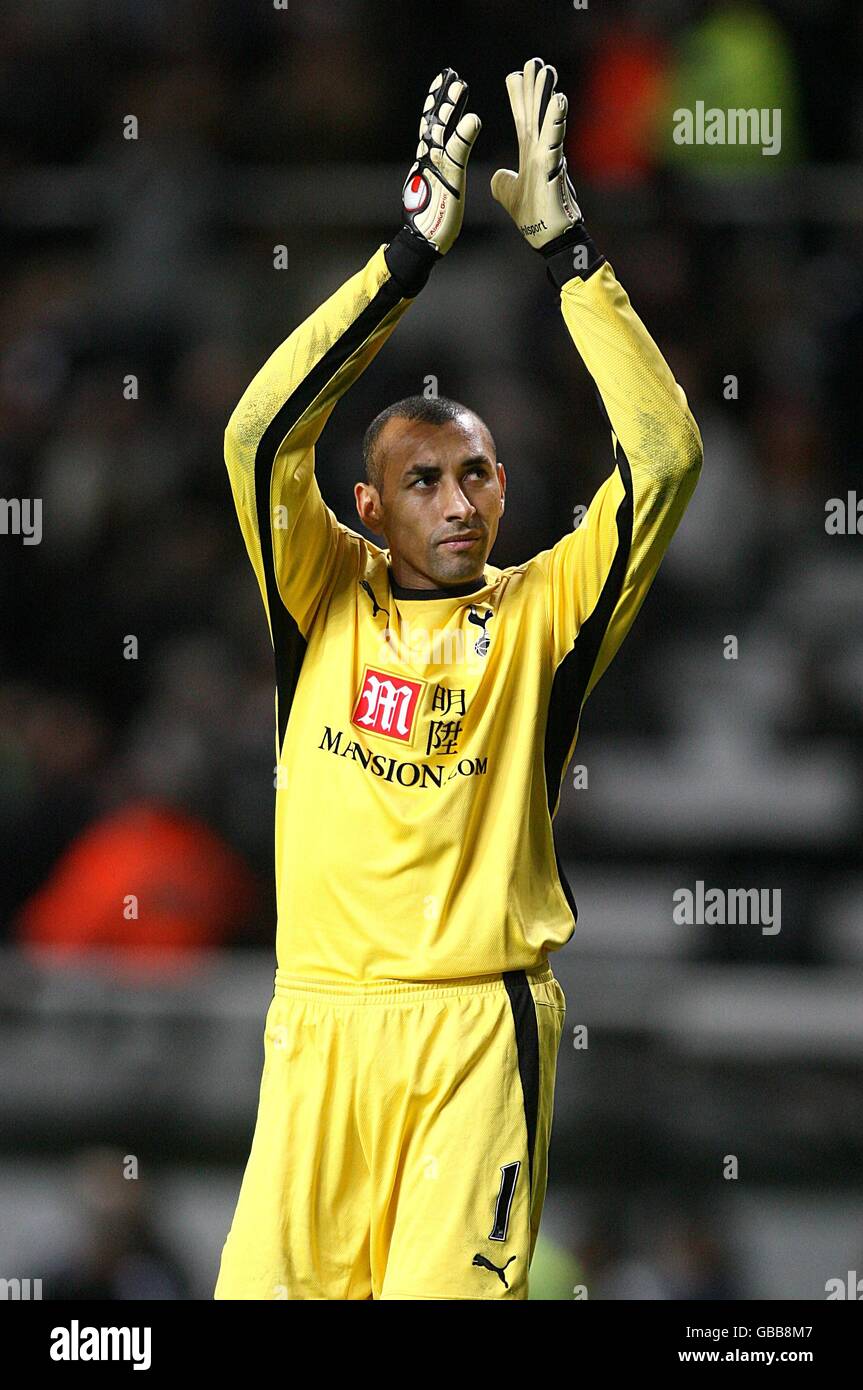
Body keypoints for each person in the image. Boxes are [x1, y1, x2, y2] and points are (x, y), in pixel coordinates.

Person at [215, 59, 702, 1301]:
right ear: (368, 507)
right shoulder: (319, 594)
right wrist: (404, 260)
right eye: (423, 479)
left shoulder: (540, 613)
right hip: (315, 1022)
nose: (457, 498)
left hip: (473, 1034)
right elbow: (258, 436)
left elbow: (662, 455)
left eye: (476, 473)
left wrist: (568, 254)